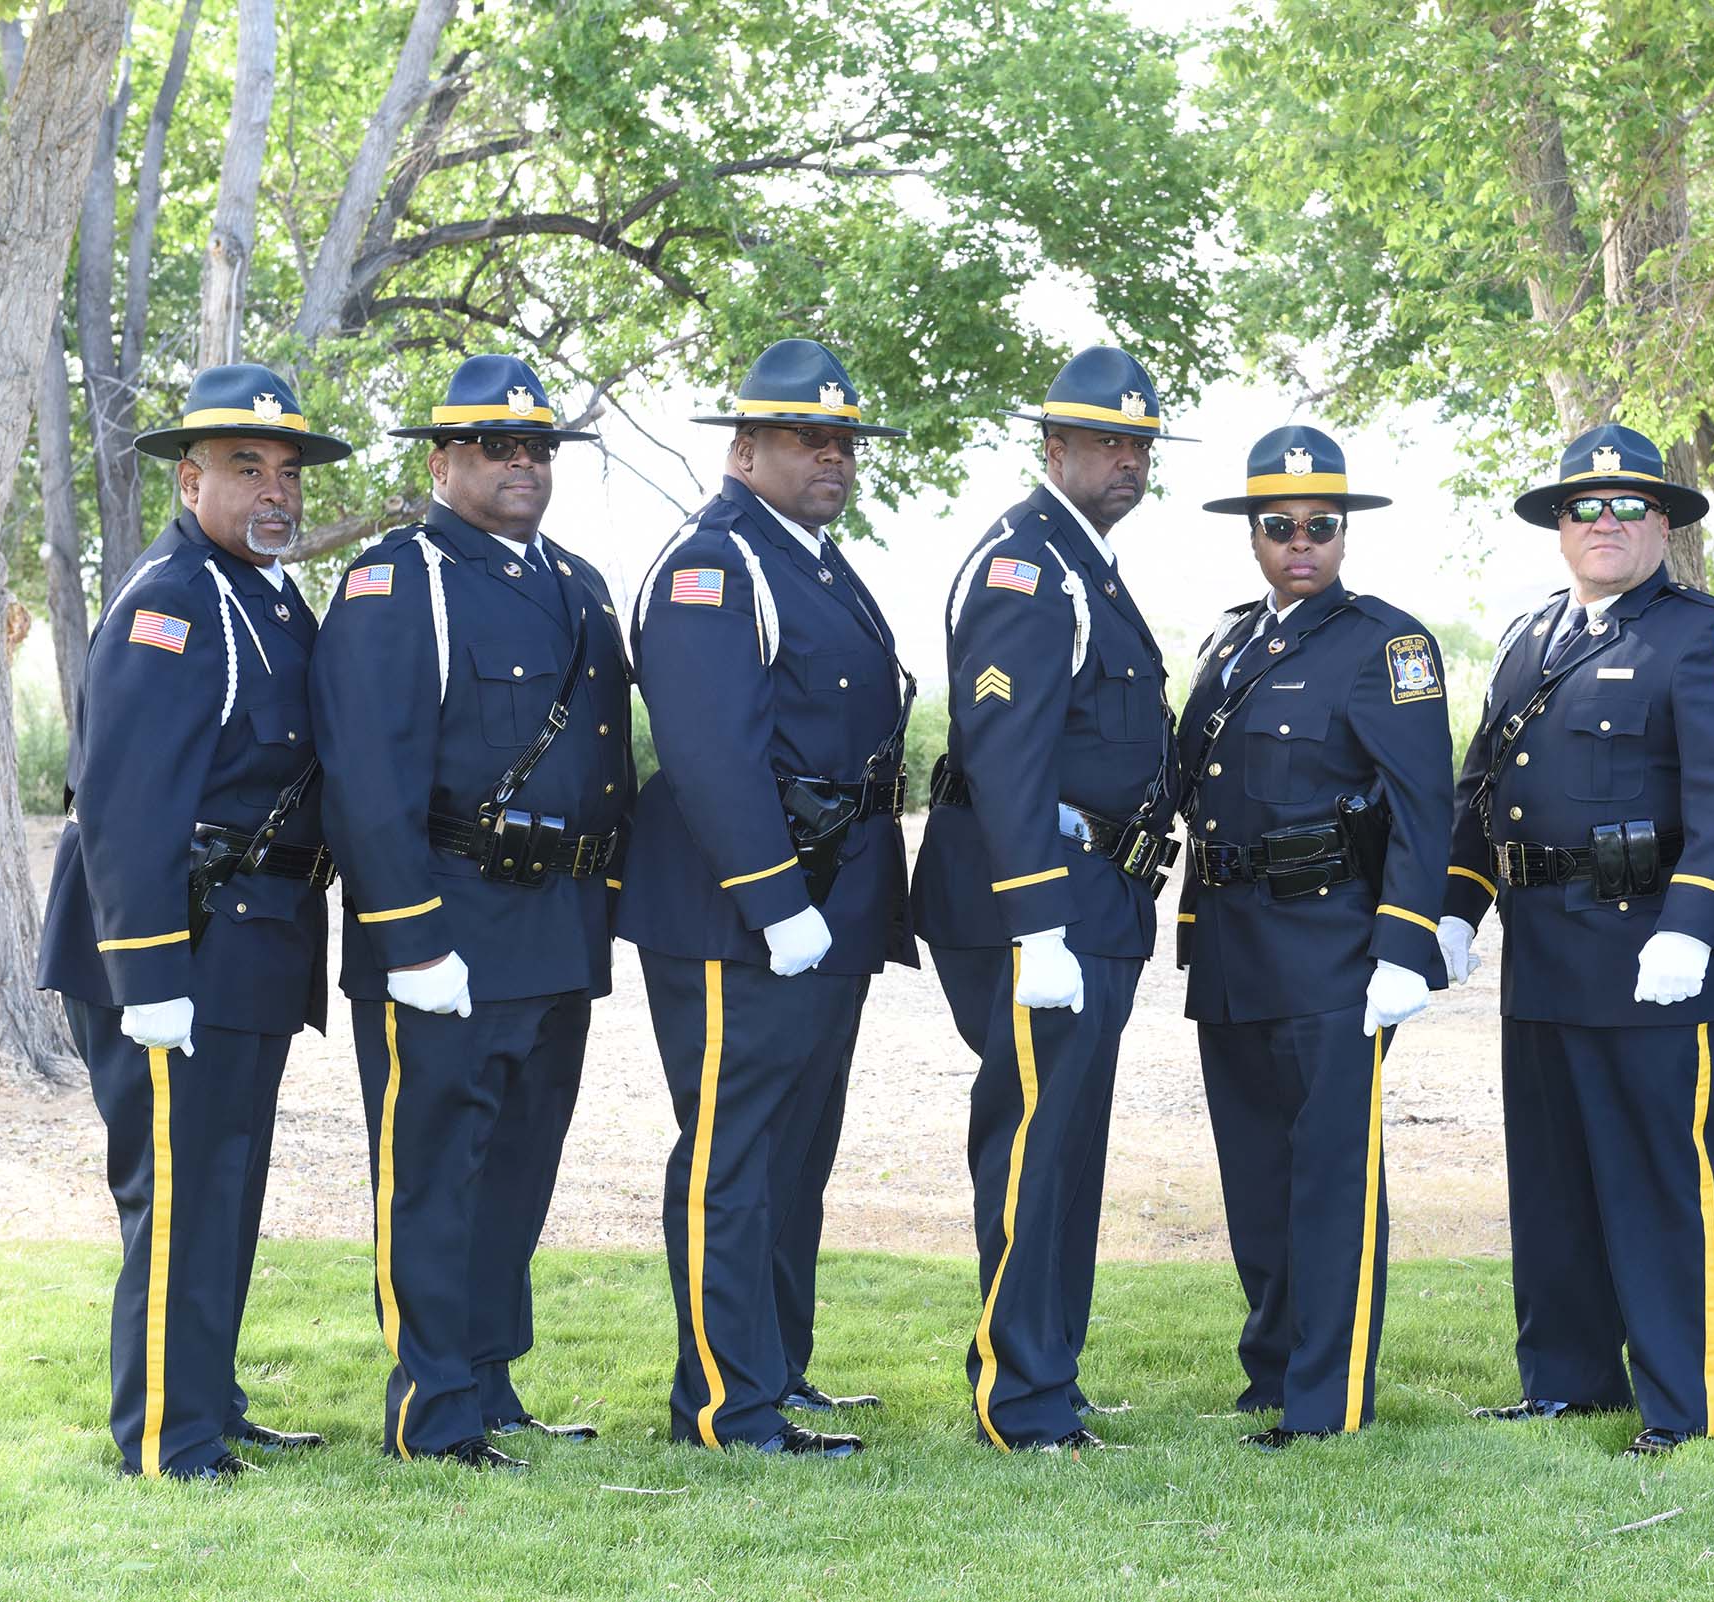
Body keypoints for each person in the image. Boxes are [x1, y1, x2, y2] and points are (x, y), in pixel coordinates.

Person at [310, 355, 633, 1470]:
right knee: (434, 1176)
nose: (523, 466)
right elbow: (365, 771)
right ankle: (429, 1410)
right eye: (498, 448)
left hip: (555, 933)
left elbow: (605, 764)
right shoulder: (400, 582)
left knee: (516, 1174)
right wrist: (407, 935)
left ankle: (490, 1385)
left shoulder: (579, 584)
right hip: (447, 926)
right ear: (443, 462)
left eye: (539, 448)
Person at [1438, 425, 1714, 1456]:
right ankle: (1568, 1381)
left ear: (1666, 525)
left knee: (1659, 1183)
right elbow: (1480, 788)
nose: (1604, 524)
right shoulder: (1529, 639)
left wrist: (1694, 927)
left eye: (1629, 506)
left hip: (1651, 955)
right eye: (1583, 508)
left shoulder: (1711, 638)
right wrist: (1458, 907)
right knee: (1554, 1181)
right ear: (1558, 528)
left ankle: (1687, 1399)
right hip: (1542, 950)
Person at [38, 364, 350, 1479]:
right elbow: (121, 800)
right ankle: (168, 1437)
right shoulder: (171, 598)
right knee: (175, 1195)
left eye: (286, 472)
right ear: (190, 476)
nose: (277, 492)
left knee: (225, 1185)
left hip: (247, 945)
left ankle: (206, 1400)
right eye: (246, 468)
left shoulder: (263, 594)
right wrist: (147, 974)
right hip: (175, 948)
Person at [617, 339, 916, 1458]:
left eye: (842, 440)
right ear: (744, 449)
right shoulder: (714, 563)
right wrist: (776, 900)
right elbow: (709, 751)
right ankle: (723, 1404)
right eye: (805, 437)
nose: (830, 457)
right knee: (733, 1155)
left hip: (824, 903)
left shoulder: (815, 561)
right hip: (736, 913)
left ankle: (776, 1370)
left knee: (798, 1152)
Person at [909, 345, 1191, 1451]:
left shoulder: (1088, 566)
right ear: (1053, 447)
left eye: (1139, 446)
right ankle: (1018, 1397)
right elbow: (1007, 753)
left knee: (1067, 1145)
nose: (1126, 463)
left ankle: (1045, 1375)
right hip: (1049, 896)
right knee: (1034, 1140)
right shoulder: (1028, 567)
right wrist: (1038, 921)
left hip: (1097, 891)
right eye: (1105, 443)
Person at [1175, 426, 1451, 1450]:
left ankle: (1325, 1399)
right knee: (1256, 1178)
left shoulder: (1388, 645)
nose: (1301, 542)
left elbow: (1426, 808)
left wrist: (1402, 948)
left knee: (1332, 1181)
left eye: (1320, 526)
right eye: (1280, 526)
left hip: (1334, 950)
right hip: (1231, 947)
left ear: (1346, 533)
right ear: (1254, 534)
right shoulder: (1229, 640)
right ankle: (1271, 1375)